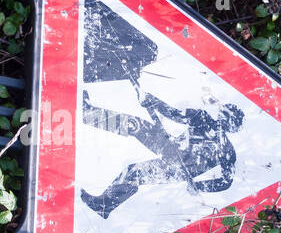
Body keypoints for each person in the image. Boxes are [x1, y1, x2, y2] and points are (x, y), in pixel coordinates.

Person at [79, 92, 244, 218]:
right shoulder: (202, 117)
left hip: (178, 169)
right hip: (170, 147)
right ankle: (88, 113)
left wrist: (199, 186)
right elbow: (174, 113)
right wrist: (153, 101)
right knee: (134, 124)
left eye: (227, 119)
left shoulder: (227, 150)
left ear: (232, 127)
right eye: (224, 115)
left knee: (133, 172)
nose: (223, 121)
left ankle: (104, 205)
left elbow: (226, 181)